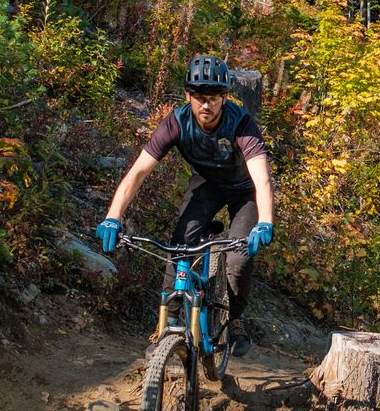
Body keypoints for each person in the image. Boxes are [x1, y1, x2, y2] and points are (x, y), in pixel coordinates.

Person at [95, 55, 274, 357]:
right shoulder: (176, 124)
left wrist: (265, 221)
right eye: (200, 98)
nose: (207, 106)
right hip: (205, 184)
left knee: (238, 260)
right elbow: (137, 173)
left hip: (245, 191)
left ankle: (234, 320)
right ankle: (168, 323)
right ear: (188, 96)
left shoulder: (241, 124)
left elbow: (262, 180)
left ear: (224, 98)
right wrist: (113, 216)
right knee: (179, 246)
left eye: (214, 99)